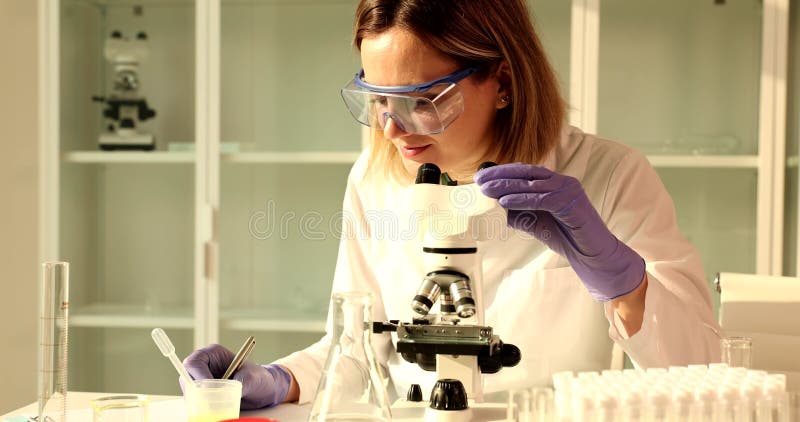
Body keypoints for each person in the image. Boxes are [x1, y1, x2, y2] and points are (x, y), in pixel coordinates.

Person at [183, 0, 721, 409]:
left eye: (422, 102)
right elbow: (357, 350)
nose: (392, 129)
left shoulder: (609, 177)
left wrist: (626, 285)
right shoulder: (374, 179)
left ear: (503, 80)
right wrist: (277, 380)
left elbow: (703, 370)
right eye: (378, 101)